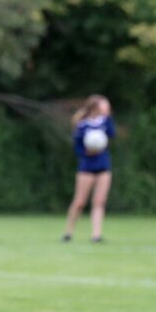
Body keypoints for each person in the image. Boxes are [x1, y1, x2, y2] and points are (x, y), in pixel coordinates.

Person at [62, 95, 115, 244]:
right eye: (105, 105)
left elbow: (112, 134)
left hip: (103, 166)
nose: (107, 108)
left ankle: (96, 235)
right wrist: (87, 152)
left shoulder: (105, 122)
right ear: (95, 107)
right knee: (79, 202)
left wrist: (108, 118)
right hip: (87, 167)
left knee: (99, 202)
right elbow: (77, 147)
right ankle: (68, 232)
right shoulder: (82, 125)